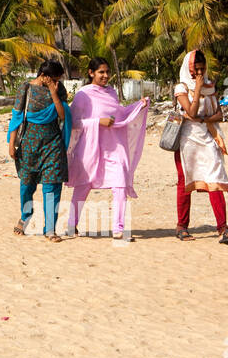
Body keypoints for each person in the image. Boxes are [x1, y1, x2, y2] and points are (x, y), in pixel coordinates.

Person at [65, 58, 149, 239]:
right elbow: (73, 123)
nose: (105, 76)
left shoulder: (112, 92)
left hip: (114, 146)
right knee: (83, 186)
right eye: (101, 72)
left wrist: (138, 106)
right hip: (90, 147)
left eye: (107, 72)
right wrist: (98, 122)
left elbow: (120, 114)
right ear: (91, 73)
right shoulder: (83, 95)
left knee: (120, 183)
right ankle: (72, 225)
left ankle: (118, 229)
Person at [173, 50, 228, 244]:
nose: (199, 73)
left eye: (202, 69)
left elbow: (219, 114)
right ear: (189, 69)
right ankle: (182, 227)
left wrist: (202, 119)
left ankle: (223, 228)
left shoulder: (210, 86)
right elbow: (191, 110)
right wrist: (196, 88)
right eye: (196, 69)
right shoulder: (181, 87)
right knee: (185, 182)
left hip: (208, 138)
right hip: (187, 141)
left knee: (215, 178)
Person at [8, 60, 71, 242]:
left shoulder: (58, 90)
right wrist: (11, 144)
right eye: (53, 79)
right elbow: (17, 117)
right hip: (29, 144)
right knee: (27, 184)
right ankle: (25, 216)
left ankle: (50, 229)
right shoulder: (25, 89)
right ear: (43, 75)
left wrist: (53, 92)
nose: (56, 82)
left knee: (52, 186)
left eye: (58, 79)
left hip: (53, 144)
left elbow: (62, 115)